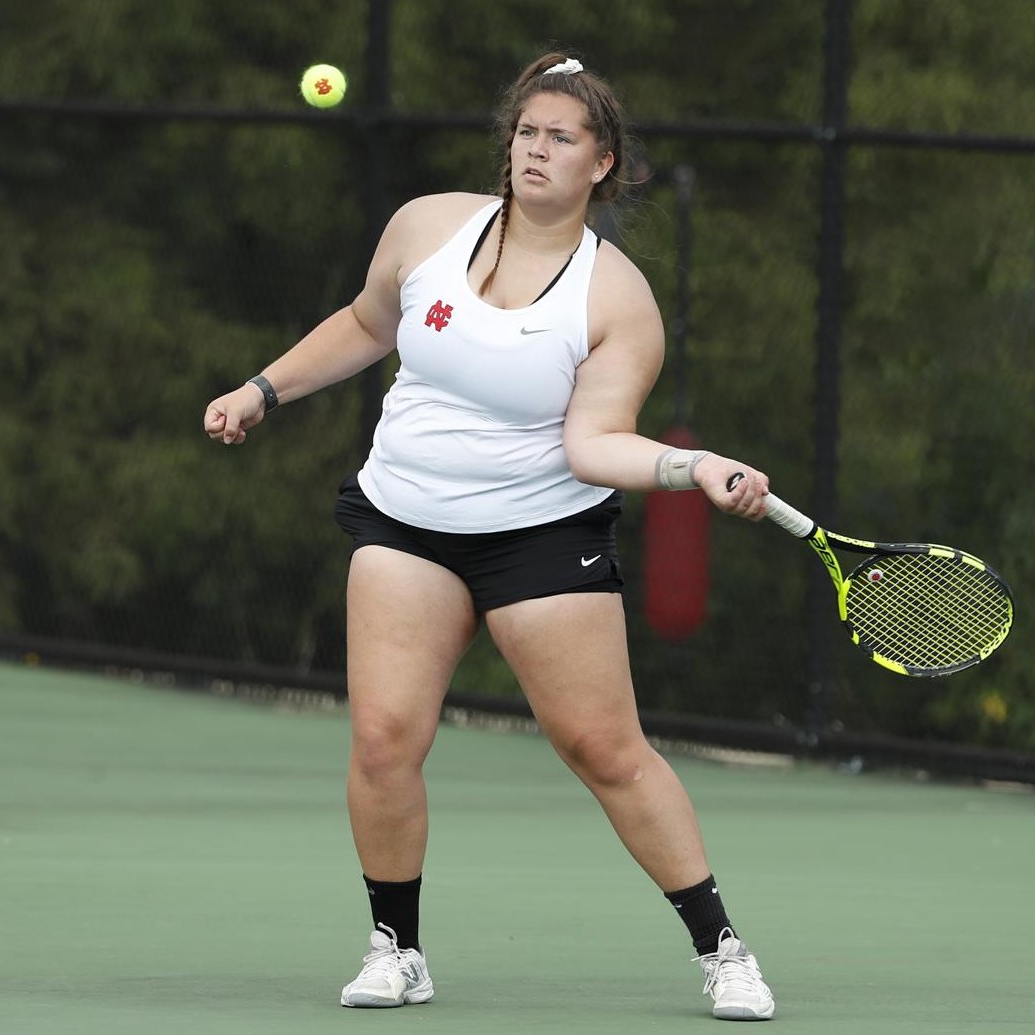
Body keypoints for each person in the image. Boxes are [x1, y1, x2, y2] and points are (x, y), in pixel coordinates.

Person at [204, 53, 777, 1021]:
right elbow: (364, 323)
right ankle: (397, 948)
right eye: (526, 133)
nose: (536, 151)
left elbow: (594, 445)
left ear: (603, 164)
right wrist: (262, 389)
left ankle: (722, 948)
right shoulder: (427, 226)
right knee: (385, 740)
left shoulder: (617, 299)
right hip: (404, 519)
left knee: (604, 750)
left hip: (539, 535)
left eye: (561, 138)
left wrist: (694, 467)